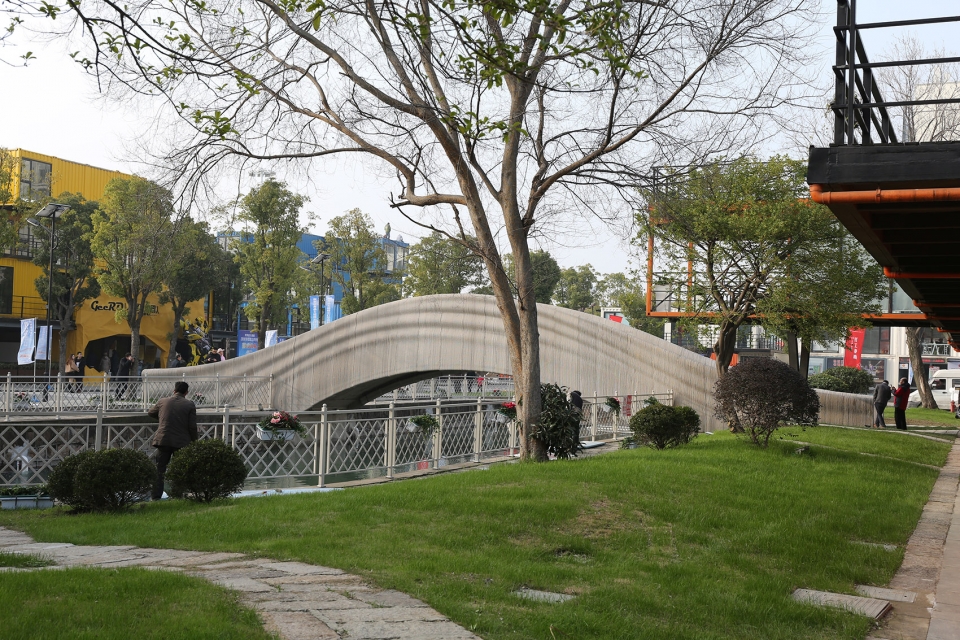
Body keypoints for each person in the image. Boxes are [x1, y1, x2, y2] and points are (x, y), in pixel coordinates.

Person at [148, 381, 198, 500]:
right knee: (179, 468)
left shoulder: (163, 401)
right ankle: (178, 494)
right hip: (181, 441)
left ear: (174, 391)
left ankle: (156, 495)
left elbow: (150, 412)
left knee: (160, 468)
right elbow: (192, 426)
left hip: (163, 439)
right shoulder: (189, 404)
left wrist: (163, 418)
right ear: (186, 392)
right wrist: (195, 441)